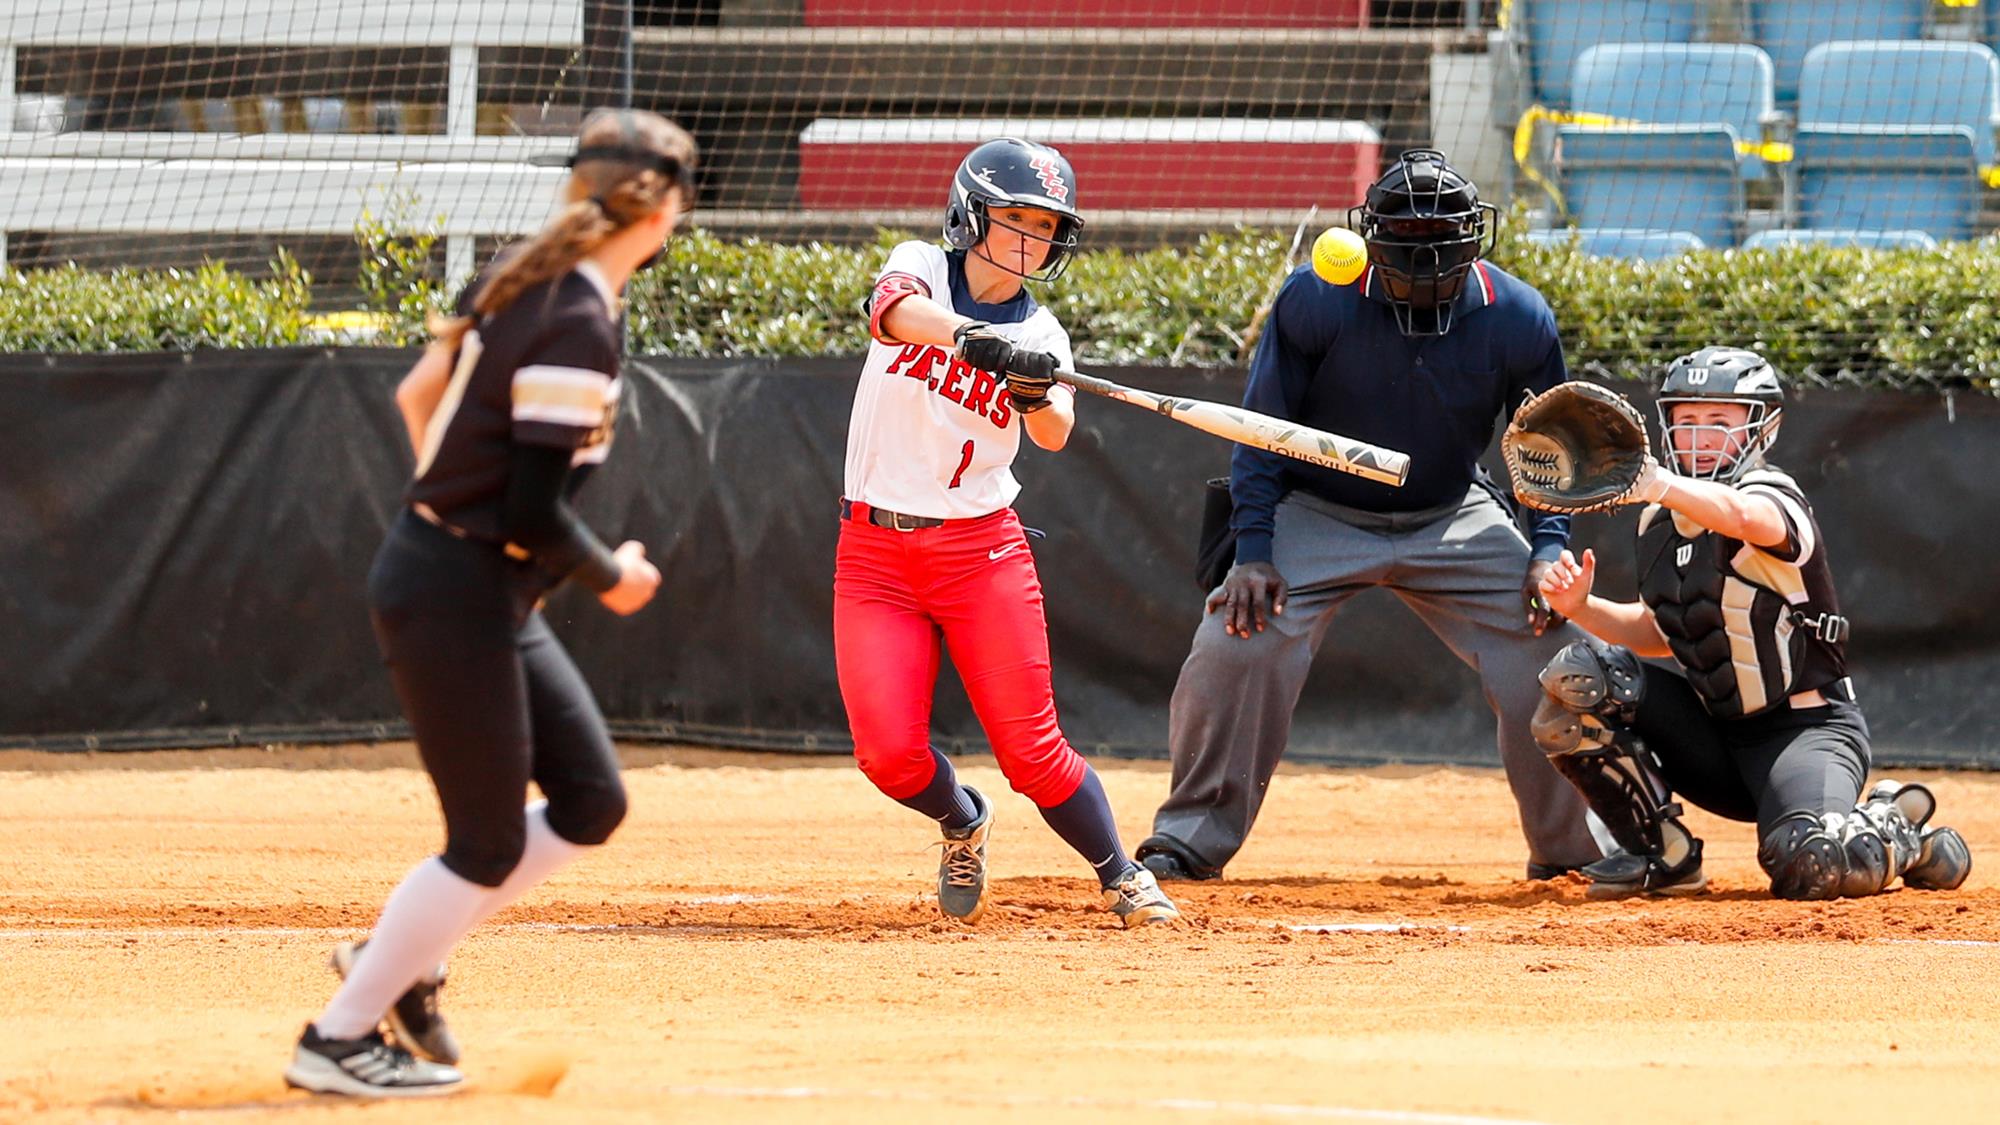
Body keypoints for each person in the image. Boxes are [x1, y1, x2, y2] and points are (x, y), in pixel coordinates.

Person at [283, 109, 696, 1098]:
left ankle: (401, 962)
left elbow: (418, 398)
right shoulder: (574, 317)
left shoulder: (535, 280)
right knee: (486, 842)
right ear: (665, 209)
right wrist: (615, 576)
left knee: (592, 799)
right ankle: (337, 1039)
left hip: (476, 583)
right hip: (458, 587)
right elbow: (532, 508)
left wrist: (440, 504)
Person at [1136, 149, 1600, 883]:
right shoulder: (1317, 298)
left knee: (1556, 647)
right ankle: (1190, 839)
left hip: (1452, 512)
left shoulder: (1517, 315)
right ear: (1369, 241)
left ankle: (1573, 853)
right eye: (1404, 244)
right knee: (1237, 637)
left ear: (1475, 242)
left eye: (1441, 246)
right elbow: (1260, 430)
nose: (1422, 260)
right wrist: (1251, 550)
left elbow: (1546, 446)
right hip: (1317, 508)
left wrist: (1548, 549)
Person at [835, 137, 1179, 928]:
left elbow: (1056, 429)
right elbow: (889, 313)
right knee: (887, 755)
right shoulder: (921, 263)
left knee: (1033, 753)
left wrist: (1029, 387)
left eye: (1048, 225)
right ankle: (960, 817)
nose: (1032, 238)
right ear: (972, 214)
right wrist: (965, 336)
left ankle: (1121, 874)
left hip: (979, 552)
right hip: (875, 554)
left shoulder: (1045, 336)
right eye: (1016, 218)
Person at [1529, 346, 1972, 900]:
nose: (1700, 435)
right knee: (1576, 678)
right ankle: (1663, 856)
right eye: (1687, 420)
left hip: (1807, 734)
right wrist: (1581, 608)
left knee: (1808, 865)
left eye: (1720, 421)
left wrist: (1656, 482)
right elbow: (1658, 631)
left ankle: (1896, 828)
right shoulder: (1657, 522)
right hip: (1716, 738)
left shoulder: (1773, 496)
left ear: (1762, 429)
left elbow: (1743, 517)